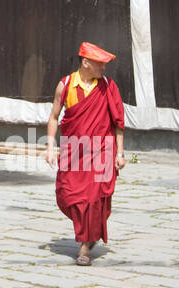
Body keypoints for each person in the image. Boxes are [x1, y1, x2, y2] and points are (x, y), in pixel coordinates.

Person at [44, 42, 126, 266]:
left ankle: (84, 246)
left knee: (93, 199)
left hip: (102, 151)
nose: (104, 68)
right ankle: (88, 233)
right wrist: (50, 147)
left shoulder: (108, 86)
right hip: (74, 150)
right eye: (100, 63)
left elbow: (118, 122)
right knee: (68, 195)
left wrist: (120, 153)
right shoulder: (66, 84)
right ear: (85, 62)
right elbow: (54, 117)